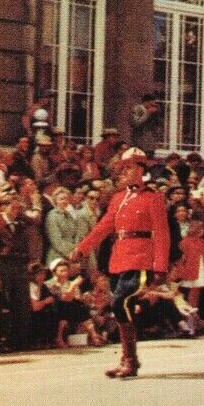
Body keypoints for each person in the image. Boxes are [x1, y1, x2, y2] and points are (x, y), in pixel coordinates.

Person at [69, 148, 171, 378]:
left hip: (142, 258)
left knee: (120, 303)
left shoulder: (153, 198)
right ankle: (129, 359)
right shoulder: (118, 198)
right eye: (123, 168)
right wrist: (82, 248)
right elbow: (104, 226)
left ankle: (130, 359)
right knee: (121, 306)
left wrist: (160, 266)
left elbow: (162, 234)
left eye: (131, 167)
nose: (125, 172)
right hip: (120, 257)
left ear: (142, 170)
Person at [0, 188, 42, 350]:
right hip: (2, 263)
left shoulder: (20, 221)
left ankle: (19, 341)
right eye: (11, 205)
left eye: (17, 205)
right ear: (3, 206)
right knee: (2, 300)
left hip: (19, 264)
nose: (16, 209)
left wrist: (35, 203)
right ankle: (0, 340)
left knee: (21, 302)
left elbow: (35, 219)